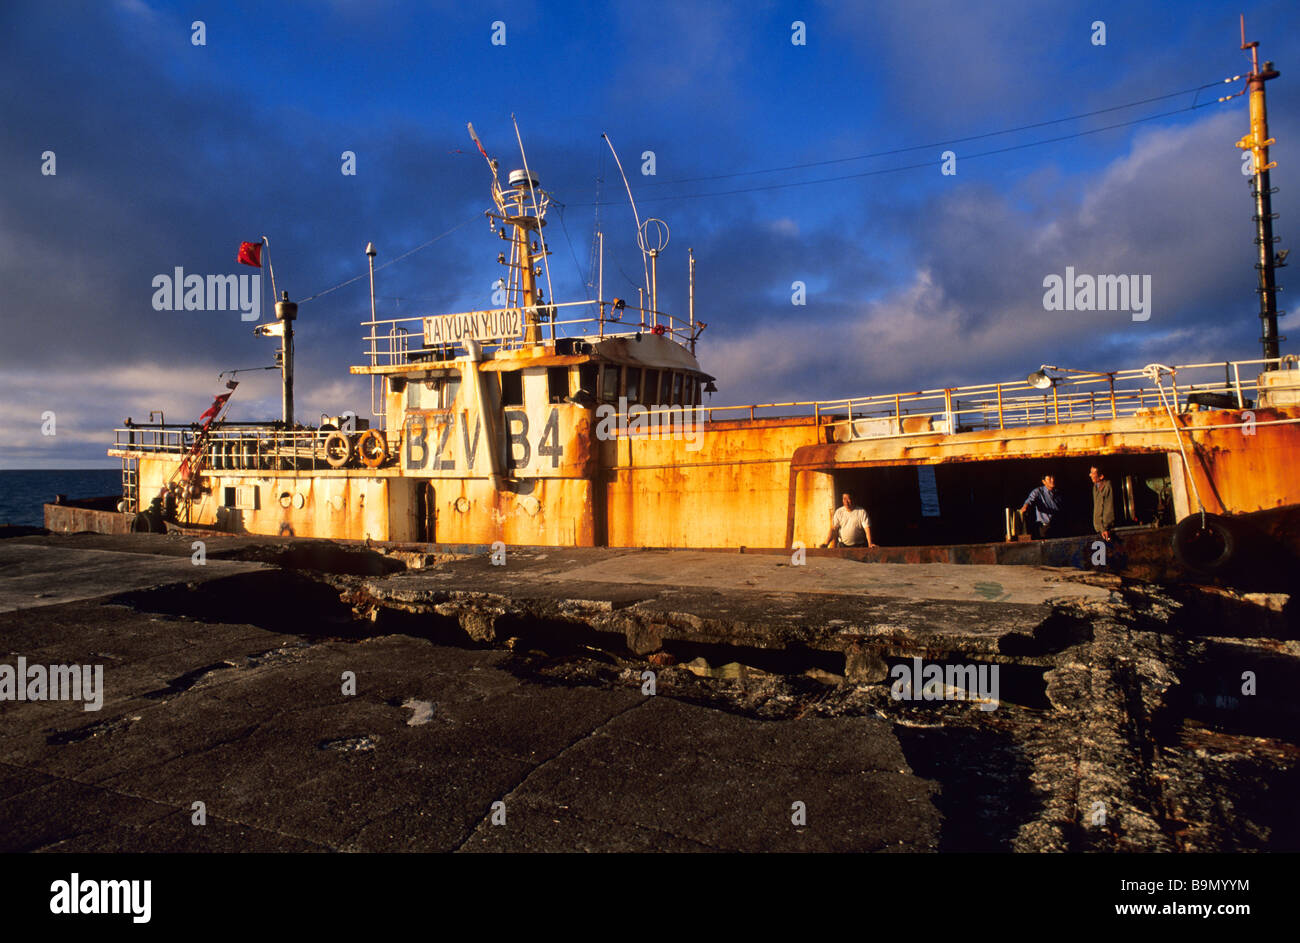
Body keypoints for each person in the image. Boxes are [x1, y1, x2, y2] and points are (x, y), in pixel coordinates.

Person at [1018, 473, 1062, 539]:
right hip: (1045, 528)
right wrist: (1025, 507)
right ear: (1043, 481)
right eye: (1049, 479)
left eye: (1053, 477)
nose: (1052, 480)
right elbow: (1030, 500)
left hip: (1058, 526)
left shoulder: (1058, 492)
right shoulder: (1038, 491)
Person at [1089, 465, 1116, 541]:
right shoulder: (1095, 487)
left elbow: (1108, 509)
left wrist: (1105, 528)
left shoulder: (1107, 486)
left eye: (1092, 473)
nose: (1090, 475)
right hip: (1099, 529)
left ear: (1101, 476)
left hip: (1105, 530)